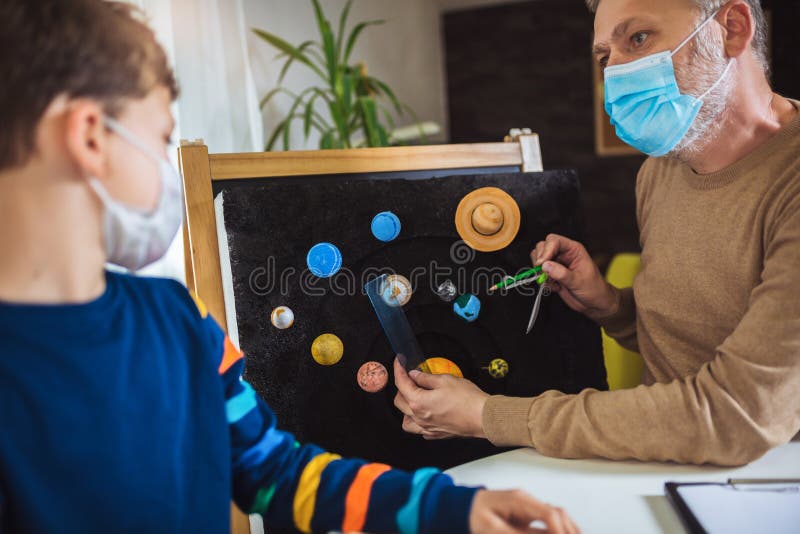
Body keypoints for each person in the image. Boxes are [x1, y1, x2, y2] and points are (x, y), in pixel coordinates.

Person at [0, 1, 582, 532]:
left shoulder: (180, 322)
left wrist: (453, 507)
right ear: (90, 137)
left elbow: (277, 474)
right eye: (158, 139)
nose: (163, 171)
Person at [394, 0, 799, 466]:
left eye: (639, 39)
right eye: (606, 57)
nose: (618, 72)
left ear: (731, 27)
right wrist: (610, 305)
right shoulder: (658, 173)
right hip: (653, 468)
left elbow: (734, 415)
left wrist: (486, 414)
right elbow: (692, 343)